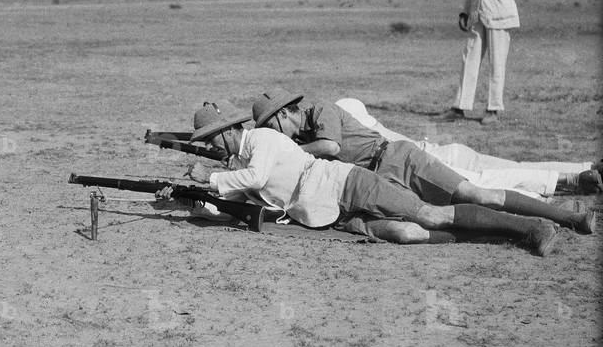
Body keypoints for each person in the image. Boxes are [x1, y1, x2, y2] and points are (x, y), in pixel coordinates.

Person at [166, 102, 562, 256]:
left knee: (432, 215)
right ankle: (501, 234)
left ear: (227, 131)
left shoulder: (262, 141)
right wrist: (194, 202)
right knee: (409, 234)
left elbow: (256, 176)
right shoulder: (243, 158)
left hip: (351, 182)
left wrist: (212, 177)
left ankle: (531, 226)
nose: (213, 147)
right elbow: (249, 201)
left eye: (212, 140)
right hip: (327, 212)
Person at [250, 88, 595, 235]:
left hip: (399, 159)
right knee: (435, 220)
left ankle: (569, 217)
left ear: (284, 114)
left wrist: (287, 152)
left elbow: (331, 148)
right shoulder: (298, 139)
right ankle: (530, 230)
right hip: (376, 181)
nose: (273, 135)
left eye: (271, 126)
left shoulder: (320, 112)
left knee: (477, 194)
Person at [334, 97, 603, 197]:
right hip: (437, 152)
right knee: (507, 170)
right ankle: (584, 170)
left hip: (428, 161)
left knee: (490, 181)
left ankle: (575, 179)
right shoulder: (346, 109)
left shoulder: (339, 116)